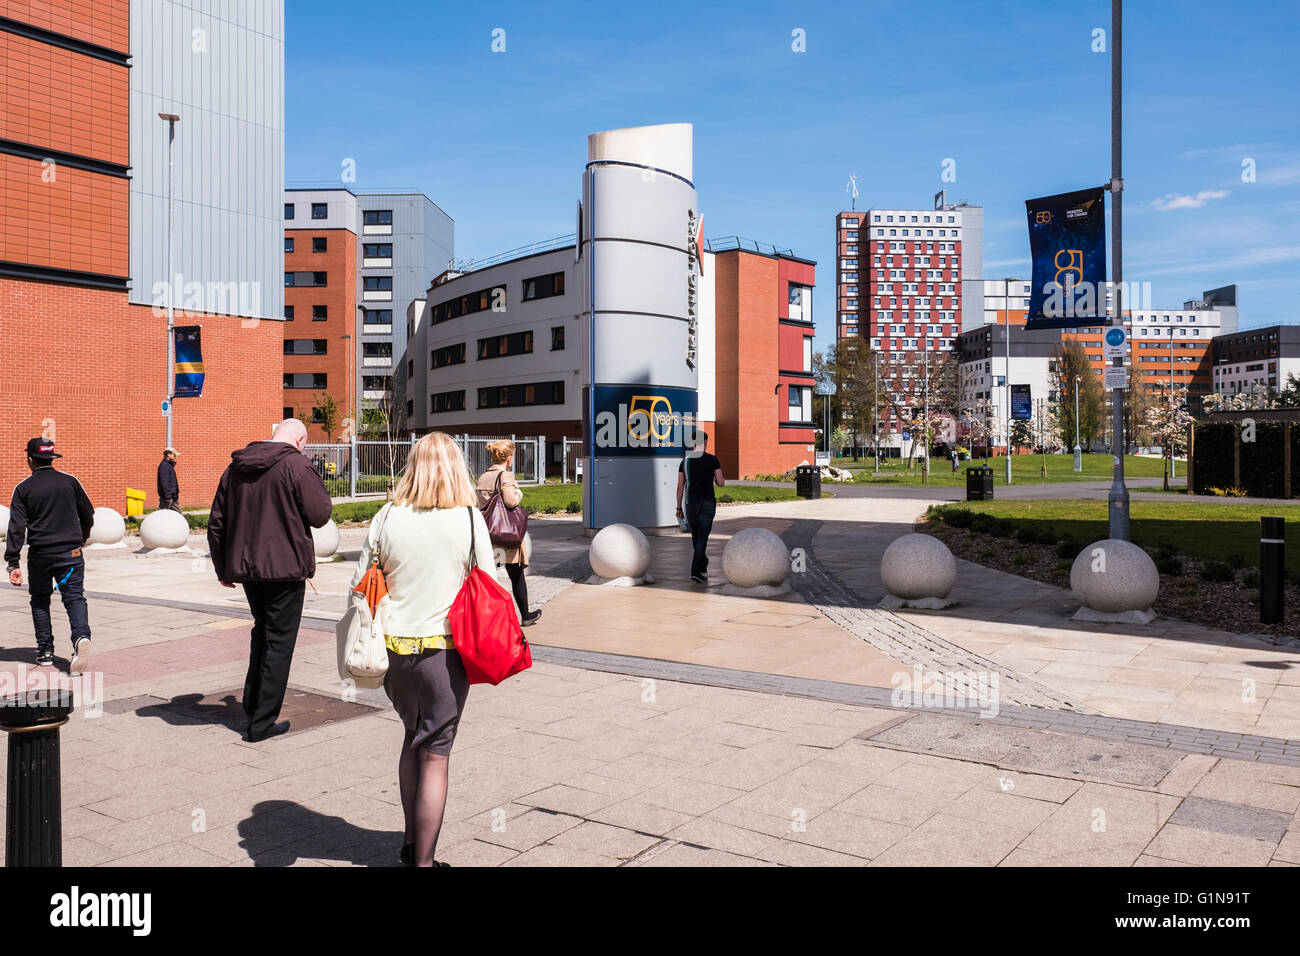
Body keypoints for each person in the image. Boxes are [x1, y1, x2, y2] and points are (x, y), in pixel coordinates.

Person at [352, 431, 496, 867]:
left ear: (413, 466)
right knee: (436, 751)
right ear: (456, 468)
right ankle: (424, 863)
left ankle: (411, 842)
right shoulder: (468, 519)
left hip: (395, 651)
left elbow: (360, 583)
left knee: (411, 738)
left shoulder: (387, 515)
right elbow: (489, 581)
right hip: (445, 652)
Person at [207, 419, 332, 743]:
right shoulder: (296, 465)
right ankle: (262, 722)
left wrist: (223, 569)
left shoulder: (235, 468)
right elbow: (320, 515)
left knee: (262, 632)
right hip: (285, 569)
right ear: (300, 439)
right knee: (279, 641)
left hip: (248, 569)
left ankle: (252, 705)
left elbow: (216, 522)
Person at [6, 438, 95, 671]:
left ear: (30, 459)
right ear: (52, 457)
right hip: (71, 553)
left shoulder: (23, 488)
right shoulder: (70, 482)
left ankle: (45, 651)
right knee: (74, 598)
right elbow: (88, 512)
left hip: (41, 555)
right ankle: (80, 638)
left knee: (40, 600)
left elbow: (16, 527)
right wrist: (82, 536)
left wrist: (12, 562)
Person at [475, 439, 540, 626]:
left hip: (489, 533)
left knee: (488, 576)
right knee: (516, 575)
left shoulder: (483, 477)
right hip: (506, 534)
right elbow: (511, 501)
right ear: (508, 458)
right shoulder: (506, 476)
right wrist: (519, 493)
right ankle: (526, 615)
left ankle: (485, 617)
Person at [675, 431, 725, 584]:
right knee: (702, 539)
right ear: (705, 442)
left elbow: (680, 486)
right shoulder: (712, 460)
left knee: (696, 538)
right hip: (707, 503)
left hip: (691, 504)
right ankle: (696, 570)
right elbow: (721, 482)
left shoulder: (685, 462)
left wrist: (678, 507)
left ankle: (702, 563)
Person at [157, 447, 181, 512]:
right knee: (162, 514)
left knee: (178, 515)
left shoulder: (169, 466)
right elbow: (164, 482)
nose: (175, 456)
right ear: (168, 454)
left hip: (173, 496)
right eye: (174, 454)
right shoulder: (164, 466)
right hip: (167, 497)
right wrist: (167, 496)